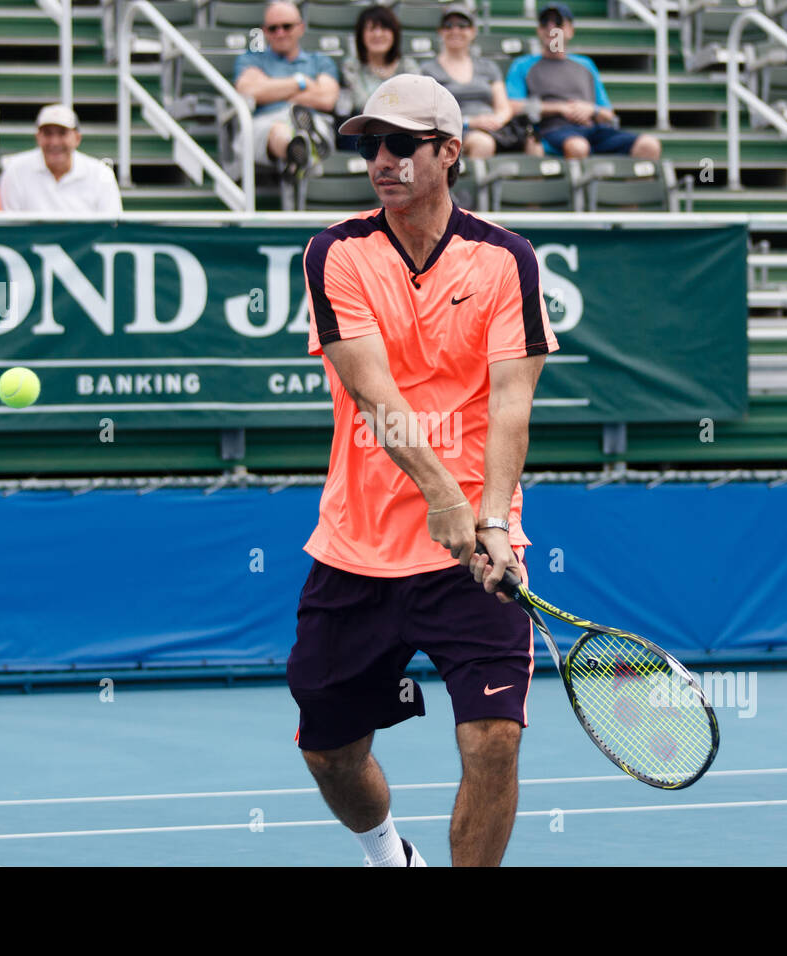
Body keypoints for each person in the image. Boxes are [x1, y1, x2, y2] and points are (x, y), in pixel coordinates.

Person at [292, 74, 558, 867]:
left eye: (403, 144)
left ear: (450, 152)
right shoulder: (335, 252)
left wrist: (493, 520)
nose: (383, 159)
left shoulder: (506, 259)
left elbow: (511, 404)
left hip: (474, 560)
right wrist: (444, 496)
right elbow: (373, 393)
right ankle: (387, 855)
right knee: (330, 754)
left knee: (493, 743)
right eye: (372, 144)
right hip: (358, 552)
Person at [506, 2, 661, 160]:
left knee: (649, 145)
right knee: (578, 146)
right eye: (545, 22)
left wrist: (591, 110)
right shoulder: (523, 65)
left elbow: (608, 114)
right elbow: (513, 106)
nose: (551, 28)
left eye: (558, 22)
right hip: (552, 130)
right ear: (539, 30)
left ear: (570, 31)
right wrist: (560, 108)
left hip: (593, 130)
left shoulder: (585, 64)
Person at [233, 1, 339, 179]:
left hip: (312, 118)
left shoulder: (320, 61)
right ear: (264, 31)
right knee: (278, 130)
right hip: (265, 123)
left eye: (287, 26)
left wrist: (270, 88)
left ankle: (297, 153)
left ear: (301, 28)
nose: (280, 33)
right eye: (273, 28)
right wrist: (301, 82)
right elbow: (248, 91)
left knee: (310, 128)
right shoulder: (251, 59)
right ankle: (299, 149)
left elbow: (327, 99)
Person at [419, 4, 520, 159]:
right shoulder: (428, 70)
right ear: (440, 32)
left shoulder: (488, 67)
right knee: (483, 143)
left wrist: (495, 120)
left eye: (462, 26)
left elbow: (503, 107)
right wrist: (470, 122)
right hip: (453, 130)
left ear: (473, 31)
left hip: (494, 128)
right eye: (448, 26)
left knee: (535, 144)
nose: (455, 31)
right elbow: (429, 114)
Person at [0, 104, 123, 214]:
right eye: (48, 133)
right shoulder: (15, 171)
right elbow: (10, 228)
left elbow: (111, 227)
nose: (54, 142)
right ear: (38, 138)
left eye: (62, 133)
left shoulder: (101, 174)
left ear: (77, 138)